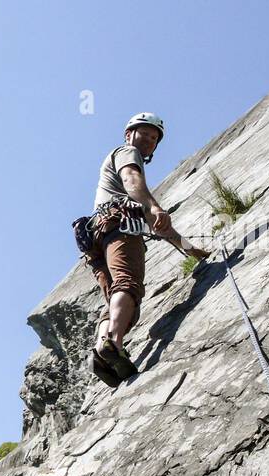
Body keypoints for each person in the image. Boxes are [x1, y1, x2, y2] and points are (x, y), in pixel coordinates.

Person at [83, 113, 210, 387]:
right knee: (128, 285)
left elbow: (159, 227)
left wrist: (189, 249)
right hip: (118, 226)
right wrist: (154, 206)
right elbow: (131, 180)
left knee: (116, 298)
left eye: (155, 139)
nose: (150, 141)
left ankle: (102, 352)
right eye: (145, 134)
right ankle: (113, 344)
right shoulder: (127, 153)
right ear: (129, 134)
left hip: (95, 239)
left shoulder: (116, 168)